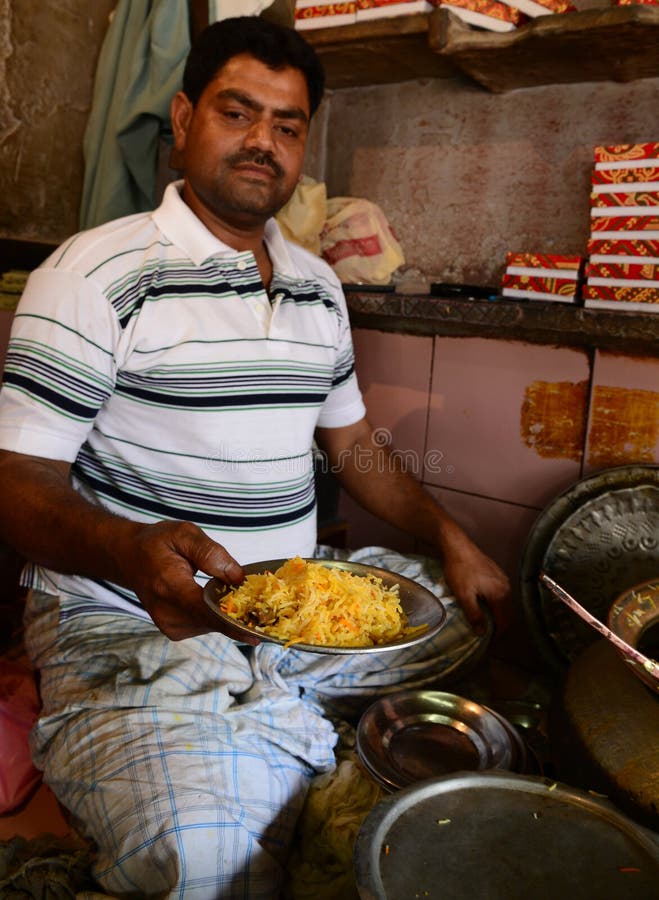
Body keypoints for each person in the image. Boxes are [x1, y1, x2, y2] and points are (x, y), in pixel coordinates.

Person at [0, 16, 510, 898]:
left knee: (471, 617)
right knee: (207, 867)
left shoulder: (316, 286)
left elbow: (352, 444)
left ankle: (254, 725)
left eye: (286, 125)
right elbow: (14, 481)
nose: (262, 143)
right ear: (183, 118)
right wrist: (130, 551)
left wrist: (450, 535)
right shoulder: (92, 276)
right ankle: (213, 740)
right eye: (237, 113)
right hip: (129, 618)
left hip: (292, 616)